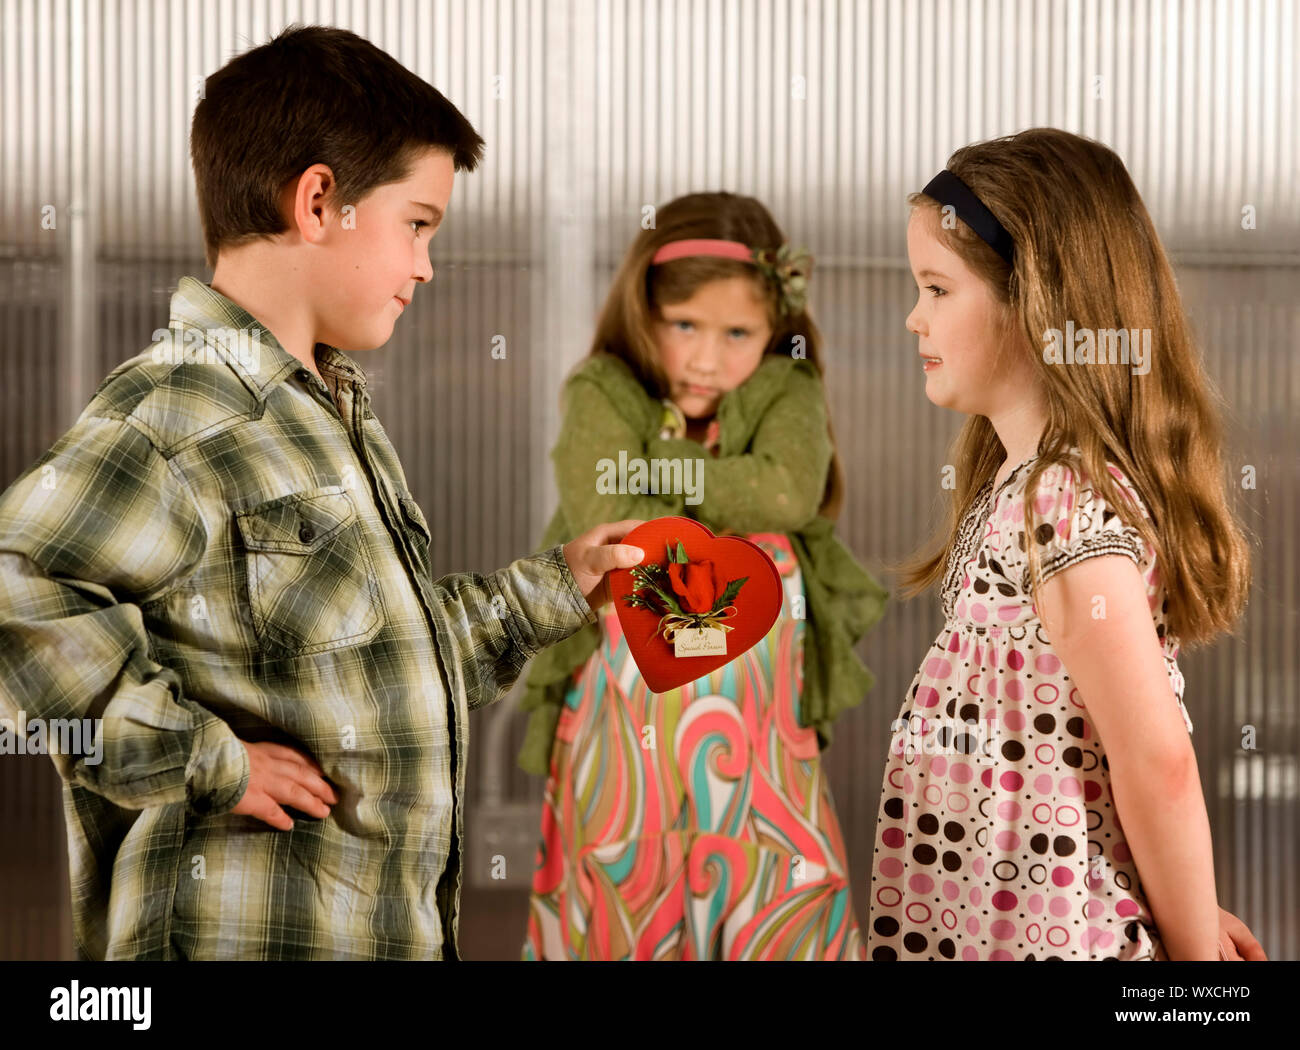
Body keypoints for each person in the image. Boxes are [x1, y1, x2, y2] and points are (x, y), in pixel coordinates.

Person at [0, 24, 644, 961]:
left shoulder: (334, 415)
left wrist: (554, 589)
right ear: (319, 202)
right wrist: (199, 758)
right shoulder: (183, 410)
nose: (426, 264)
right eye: (417, 224)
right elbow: (17, 578)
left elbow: (376, 670)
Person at [870, 127, 1262, 960]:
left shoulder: (1063, 502)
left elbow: (1154, 760)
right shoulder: (1020, 486)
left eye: (938, 289)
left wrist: (1195, 964)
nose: (914, 317)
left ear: (1034, 300)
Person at [517, 191, 889, 960]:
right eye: (684, 326)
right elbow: (608, 507)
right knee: (625, 881)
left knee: (769, 897)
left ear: (776, 331)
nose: (707, 358)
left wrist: (657, 464)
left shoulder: (788, 387)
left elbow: (788, 493)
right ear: (643, 308)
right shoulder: (603, 387)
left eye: (738, 333)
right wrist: (726, 483)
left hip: (760, 749)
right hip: (627, 736)